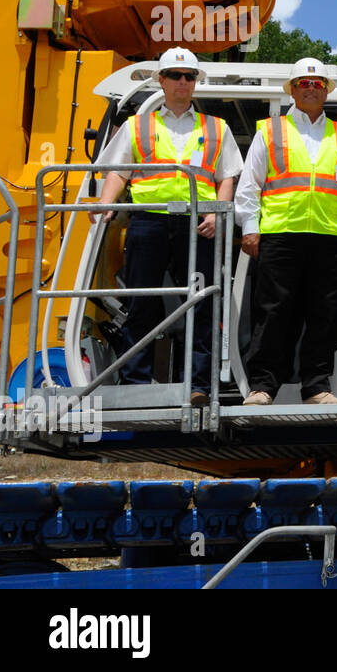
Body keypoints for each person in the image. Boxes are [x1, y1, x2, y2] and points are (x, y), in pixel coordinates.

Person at [95, 47, 241, 406]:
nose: (182, 82)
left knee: (201, 305)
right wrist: (105, 204)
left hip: (198, 223)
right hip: (149, 220)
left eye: (189, 76)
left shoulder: (216, 128)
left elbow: (227, 176)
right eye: (175, 76)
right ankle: (135, 386)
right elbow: (118, 170)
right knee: (141, 304)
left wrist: (217, 213)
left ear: (196, 83)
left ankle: (198, 387)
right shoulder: (137, 125)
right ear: (161, 81)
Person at [235, 57, 337, 405]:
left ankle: (317, 386)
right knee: (274, 312)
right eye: (304, 83)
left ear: (326, 91)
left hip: (329, 237)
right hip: (280, 234)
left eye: (318, 83)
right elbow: (249, 186)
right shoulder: (270, 130)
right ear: (292, 89)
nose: (311, 88)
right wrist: (250, 227)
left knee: (325, 315)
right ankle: (263, 386)